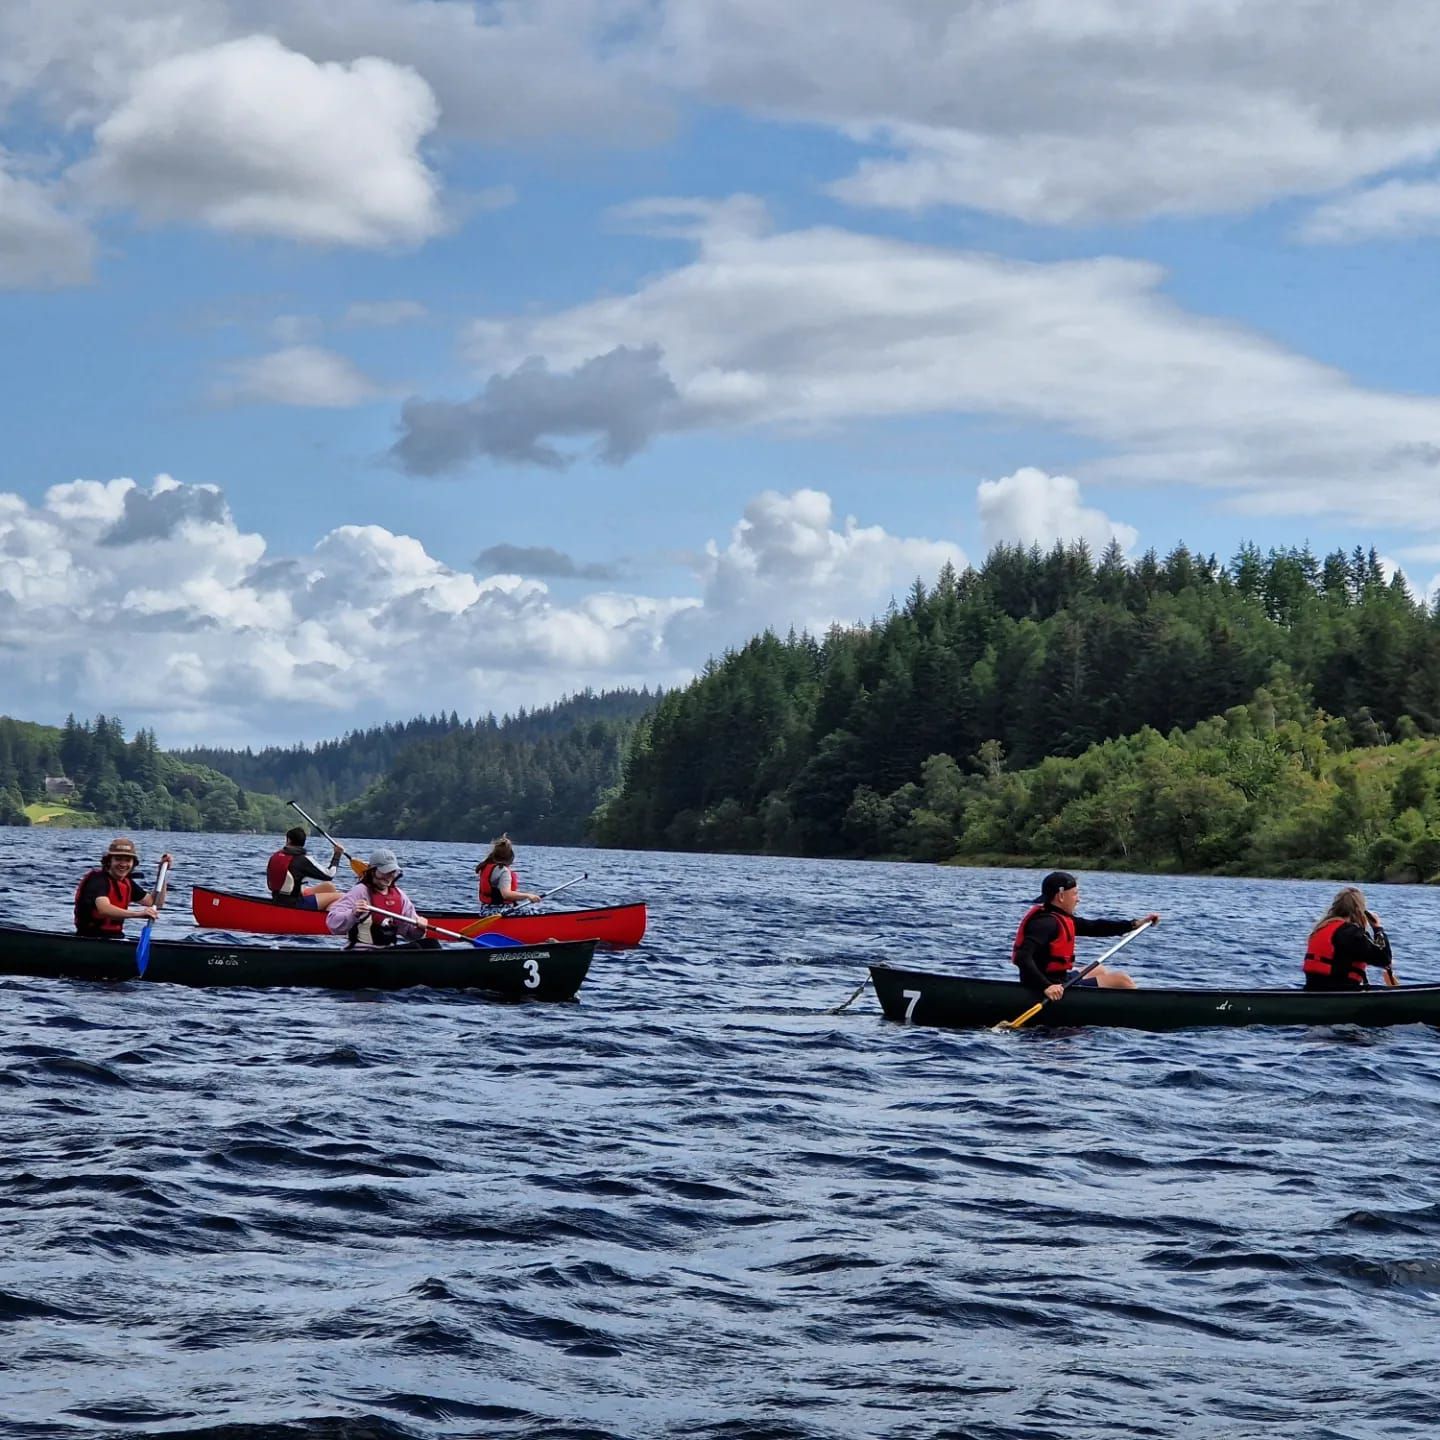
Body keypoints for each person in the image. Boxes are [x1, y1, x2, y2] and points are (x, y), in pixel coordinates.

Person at [1013, 871, 1160, 1000]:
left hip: (1058, 979)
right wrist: (1046, 987)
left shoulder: (1059, 918)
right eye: (1075, 893)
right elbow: (1022, 957)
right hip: (1050, 986)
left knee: (1100, 969)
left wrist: (1135, 924)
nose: (1078, 899)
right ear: (1061, 896)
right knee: (1122, 980)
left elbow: (1095, 927)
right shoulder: (1046, 923)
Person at [325, 848, 436, 950]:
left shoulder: (400, 896)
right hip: (361, 952)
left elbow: (410, 935)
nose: (388, 876)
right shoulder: (360, 891)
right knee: (417, 948)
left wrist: (420, 928)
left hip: (387, 953)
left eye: (392, 872)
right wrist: (352, 914)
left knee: (430, 944)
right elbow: (333, 924)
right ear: (373, 871)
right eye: (385, 872)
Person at [74, 837, 173, 938]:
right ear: (109, 861)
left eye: (128, 860)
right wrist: (138, 914)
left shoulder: (127, 883)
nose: (123, 864)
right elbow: (104, 909)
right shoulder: (97, 880)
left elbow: (155, 902)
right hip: (89, 937)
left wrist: (162, 873)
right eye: (118, 859)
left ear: (133, 863)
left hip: (116, 937)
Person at [1302, 887, 1395, 990]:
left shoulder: (1321, 928)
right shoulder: (1352, 933)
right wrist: (1378, 928)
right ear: (1360, 910)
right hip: (1340, 992)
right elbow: (1384, 959)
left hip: (1312, 990)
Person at [267, 825, 345, 911]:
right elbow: (330, 874)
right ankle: (328, 920)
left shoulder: (275, 856)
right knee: (342, 897)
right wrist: (337, 855)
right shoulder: (302, 859)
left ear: (288, 840)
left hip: (277, 899)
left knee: (328, 887)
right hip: (295, 904)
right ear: (303, 842)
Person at [475, 835, 541, 910]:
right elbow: (506, 895)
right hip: (500, 912)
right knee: (535, 911)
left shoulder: (486, 866)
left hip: (484, 910)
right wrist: (528, 896)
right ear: (511, 856)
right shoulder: (503, 870)